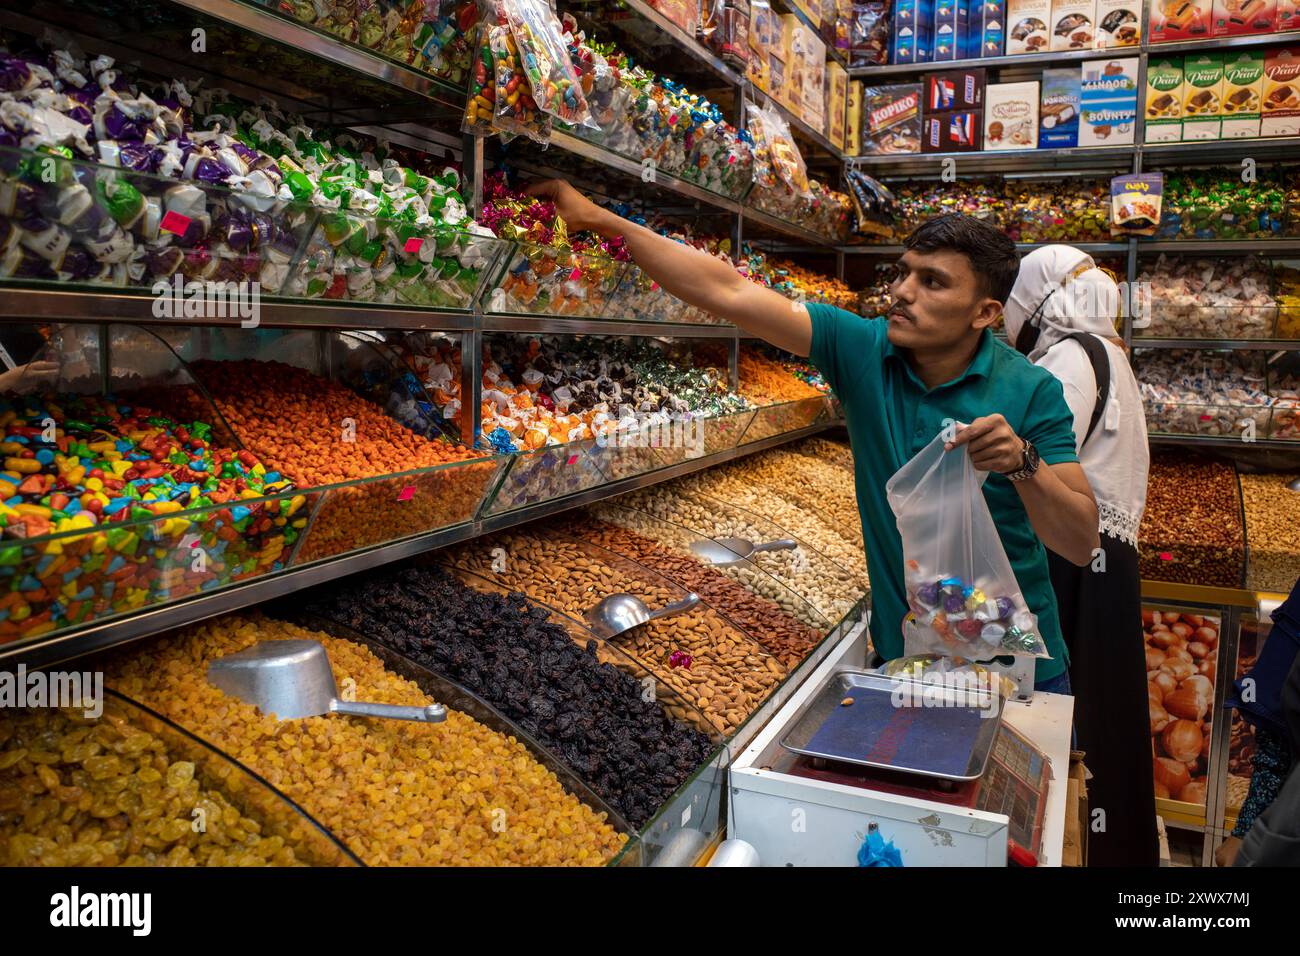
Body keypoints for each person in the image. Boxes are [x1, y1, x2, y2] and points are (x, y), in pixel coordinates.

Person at [528, 180, 1100, 690]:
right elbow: (726, 291)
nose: (902, 292)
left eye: (932, 283)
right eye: (903, 273)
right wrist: (601, 219)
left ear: (985, 313)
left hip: (1018, 667)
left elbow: (1079, 541)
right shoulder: (863, 349)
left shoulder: (1031, 390)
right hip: (908, 666)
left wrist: (1023, 464)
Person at [1003, 246, 1155, 867]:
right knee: (1107, 708)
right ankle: (1112, 847)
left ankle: (1064, 841)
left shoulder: (1069, 358)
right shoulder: (1111, 353)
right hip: (1109, 563)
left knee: (1075, 716)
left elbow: (1046, 468)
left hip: (1074, 560)